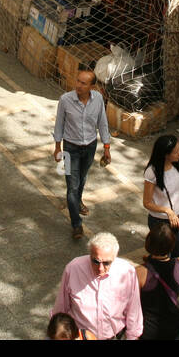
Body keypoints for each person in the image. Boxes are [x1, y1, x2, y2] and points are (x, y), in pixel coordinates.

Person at [51, 69, 111, 240]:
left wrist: (106, 147)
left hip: (90, 146)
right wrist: (57, 147)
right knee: (71, 186)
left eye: (83, 83)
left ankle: (78, 201)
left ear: (92, 86)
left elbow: (103, 123)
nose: (78, 85)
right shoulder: (65, 100)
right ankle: (76, 224)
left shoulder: (98, 99)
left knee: (82, 178)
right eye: (77, 81)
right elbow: (59, 124)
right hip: (70, 148)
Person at [51, 232, 143, 340]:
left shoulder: (127, 273)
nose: (100, 268)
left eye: (106, 263)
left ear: (115, 258)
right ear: (90, 254)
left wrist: (133, 337)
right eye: (95, 261)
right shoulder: (73, 269)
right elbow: (61, 308)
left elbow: (133, 310)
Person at [135, 223, 179, 340]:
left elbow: (132, 303)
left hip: (148, 329)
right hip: (172, 327)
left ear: (149, 244)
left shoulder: (140, 272)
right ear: (172, 244)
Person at [143, 134, 179, 258]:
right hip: (161, 222)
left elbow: (175, 185)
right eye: (176, 152)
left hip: (178, 217)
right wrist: (168, 211)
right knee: (163, 256)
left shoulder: (176, 165)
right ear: (166, 154)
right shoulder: (152, 172)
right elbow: (147, 202)